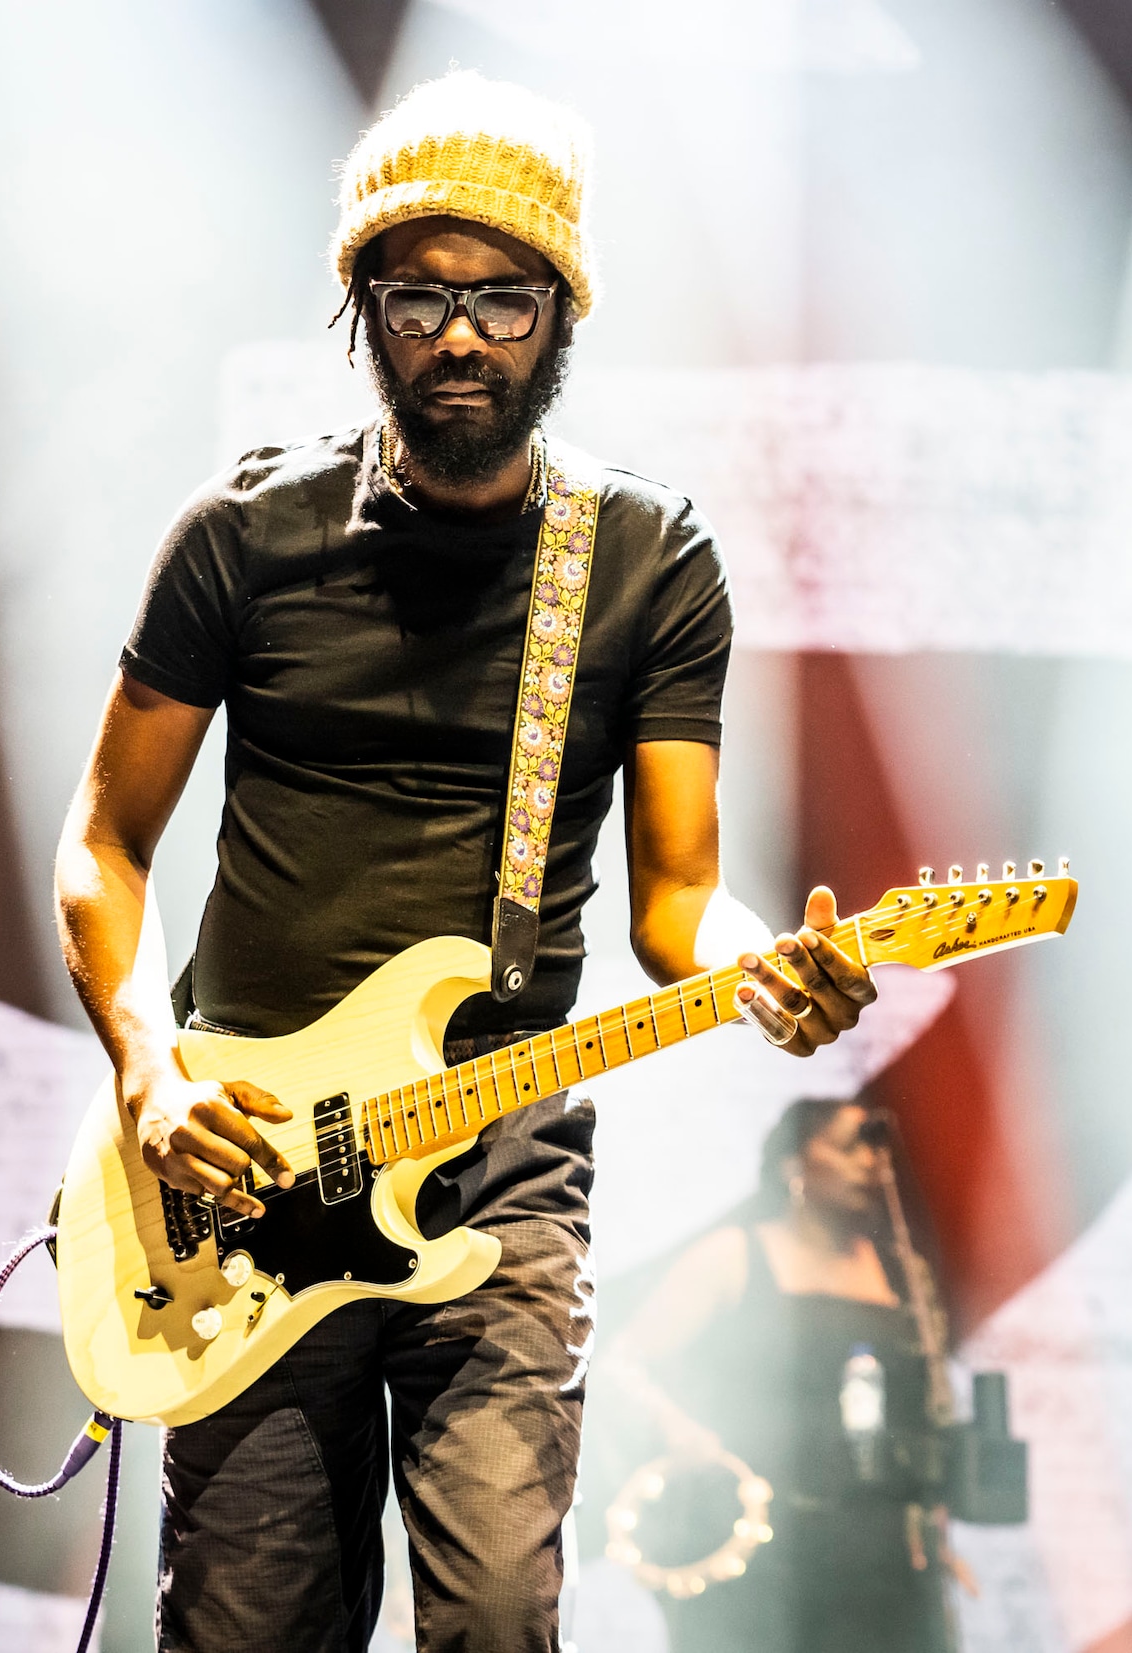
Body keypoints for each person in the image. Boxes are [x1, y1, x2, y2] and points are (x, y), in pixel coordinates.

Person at [53, 74, 879, 1650]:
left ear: (562, 313)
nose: (459, 334)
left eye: (502, 296)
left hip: (499, 1154)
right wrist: (148, 1069)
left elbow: (679, 905)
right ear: (359, 308)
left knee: (500, 1615)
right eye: (418, 293)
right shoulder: (243, 537)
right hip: (249, 1157)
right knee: (243, 1627)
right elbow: (103, 838)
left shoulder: (643, 564)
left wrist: (766, 968)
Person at [603, 1100, 961, 1653]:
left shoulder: (899, 1270)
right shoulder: (734, 1255)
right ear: (793, 1164)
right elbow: (623, 1362)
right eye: (849, 1147)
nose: (870, 1162)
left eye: (876, 1149)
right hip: (767, 1549)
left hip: (882, 1548)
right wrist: (679, 1430)